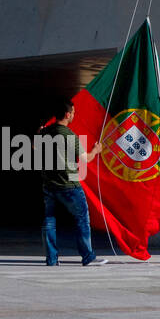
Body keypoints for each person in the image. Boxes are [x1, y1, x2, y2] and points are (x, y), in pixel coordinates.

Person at [40, 99, 109, 266]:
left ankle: (52, 258)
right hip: (69, 185)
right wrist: (95, 150)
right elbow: (85, 159)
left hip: (49, 185)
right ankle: (87, 256)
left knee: (49, 220)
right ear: (67, 114)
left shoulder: (45, 132)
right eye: (73, 113)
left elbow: (35, 147)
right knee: (82, 217)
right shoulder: (69, 135)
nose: (74, 115)